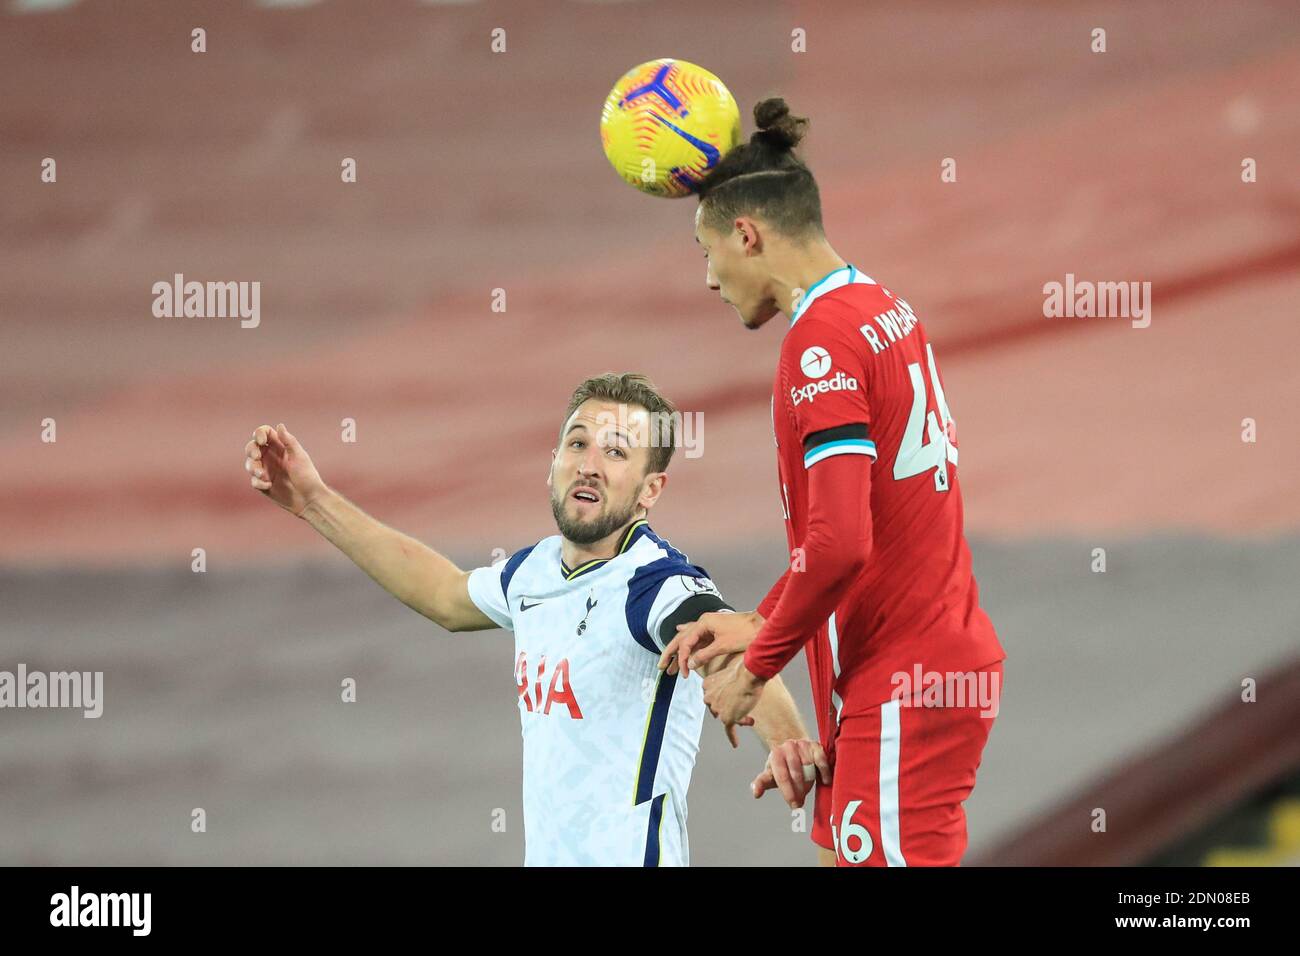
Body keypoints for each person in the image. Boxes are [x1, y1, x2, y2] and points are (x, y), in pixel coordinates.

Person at [243, 371, 827, 866]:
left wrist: (789, 740)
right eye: (577, 444)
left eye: (617, 452)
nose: (590, 465)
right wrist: (314, 502)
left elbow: (735, 648)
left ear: (651, 491)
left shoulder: (657, 585)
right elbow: (444, 594)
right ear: (552, 463)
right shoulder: (534, 572)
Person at [661, 100, 1006, 867]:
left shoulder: (817, 344)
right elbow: (864, 532)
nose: (708, 278)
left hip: (904, 679)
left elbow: (841, 542)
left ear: (746, 235)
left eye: (706, 250)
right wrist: (760, 620)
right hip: (916, 664)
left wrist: (755, 670)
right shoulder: (882, 307)